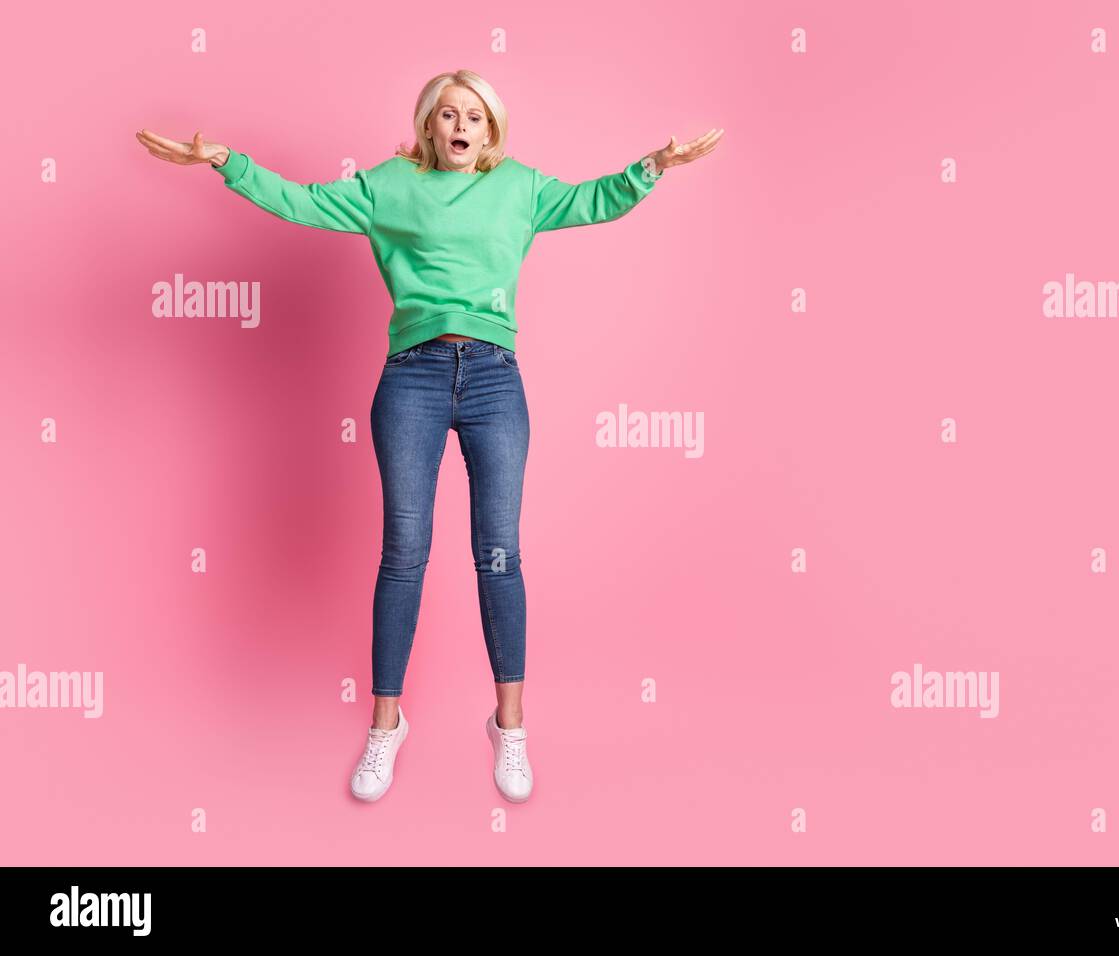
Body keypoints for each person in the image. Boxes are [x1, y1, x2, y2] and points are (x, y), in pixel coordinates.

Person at [135, 68, 723, 805]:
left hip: (494, 379)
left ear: (491, 131)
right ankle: (386, 725)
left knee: (499, 553)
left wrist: (652, 168)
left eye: (474, 115)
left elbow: (590, 201)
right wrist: (228, 163)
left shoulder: (520, 187)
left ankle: (509, 726)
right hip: (410, 377)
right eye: (448, 114)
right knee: (404, 553)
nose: (461, 125)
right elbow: (306, 204)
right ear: (428, 126)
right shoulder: (389, 186)